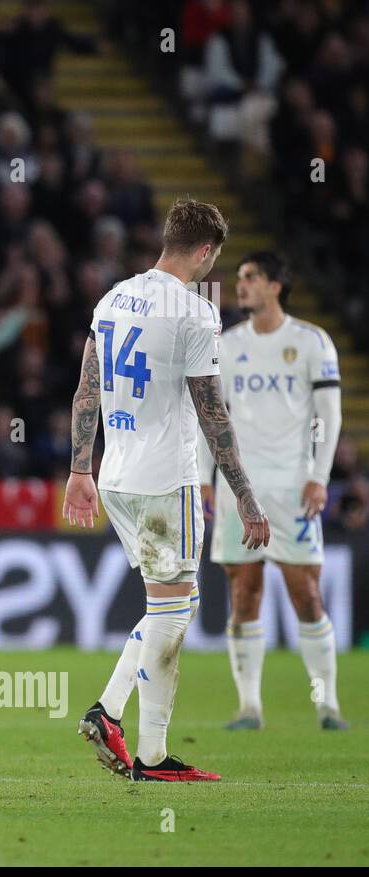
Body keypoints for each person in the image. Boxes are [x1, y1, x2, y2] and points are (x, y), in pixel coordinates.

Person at [68, 198, 269, 783]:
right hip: (164, 478)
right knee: (173, 608)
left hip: (116, 476)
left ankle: (125, 728)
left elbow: (87, 391)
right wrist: (244, 495)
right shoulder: (195, 313)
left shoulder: (113, 298)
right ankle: (139, 744)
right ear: (205, 251)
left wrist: (80, 469)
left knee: (172, 605)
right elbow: (213, 414)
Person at [201, 251, 348, 730]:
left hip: (292, 487)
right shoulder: (227, 344)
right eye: (240, 277)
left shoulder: (311, 342)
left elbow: (328, 417)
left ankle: (327, 705)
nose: (241, 285)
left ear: (275, 286)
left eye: (251, 277)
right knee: (243, 592)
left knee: (307, 594)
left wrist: (319, 475)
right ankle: (249, 708)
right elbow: (212, 417)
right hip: (238, 489)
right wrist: (204, 475)